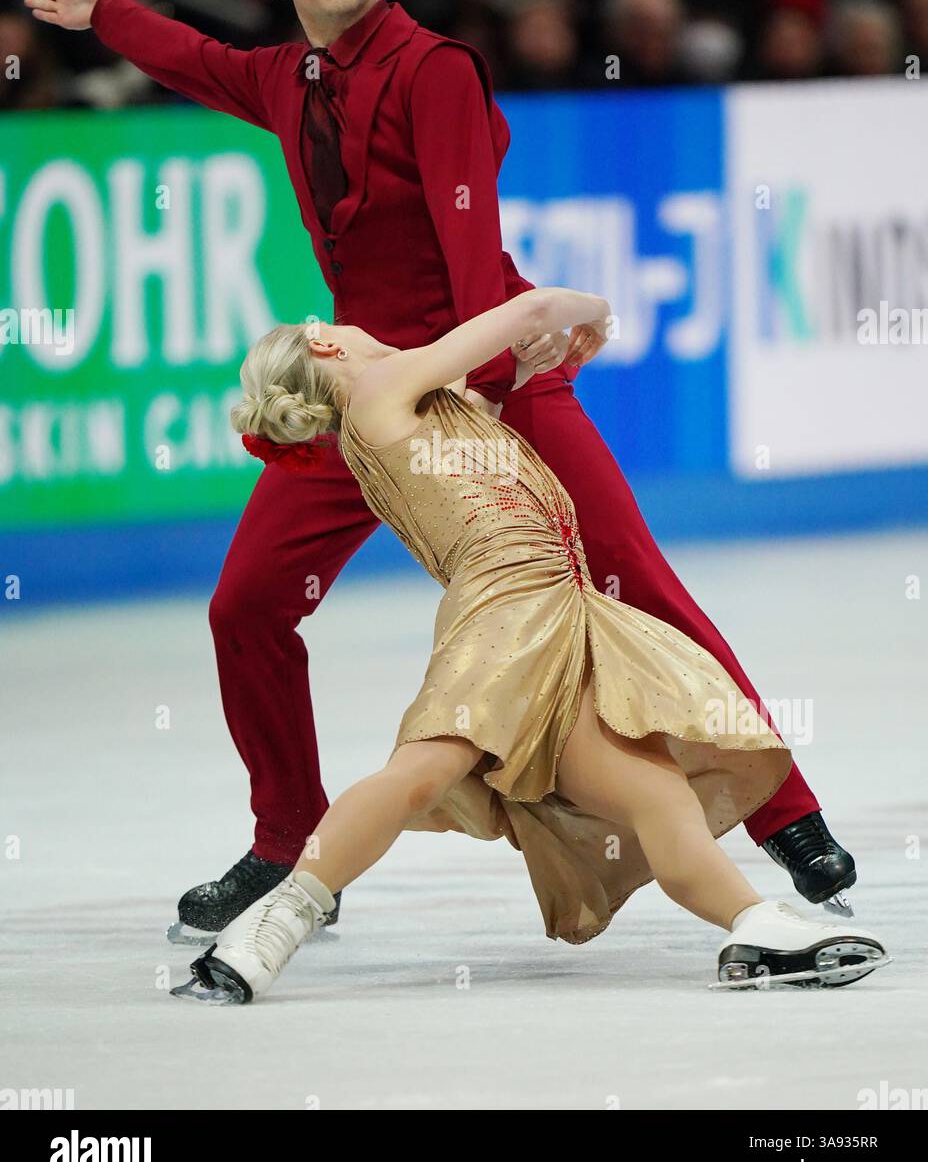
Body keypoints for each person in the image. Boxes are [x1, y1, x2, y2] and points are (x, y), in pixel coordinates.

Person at [20, 0, 856, 942]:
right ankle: (286, 840)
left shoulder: (435, 68)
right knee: (246, 604)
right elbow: (201, 62)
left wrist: (487, 377)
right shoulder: (287, 77)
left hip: (489, 372)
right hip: (366, 392)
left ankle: (784, 812)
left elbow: (470, 246)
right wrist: (104, 14)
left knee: (631, 579)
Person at [171, 289, 888, 1004]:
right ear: (325, 346)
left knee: (657, 794)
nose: (347, 320)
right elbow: (527, 311)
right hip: (502, 611)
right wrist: (597, 307)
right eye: (323, 322)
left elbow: (499, 381)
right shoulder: (382, 387)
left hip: (561, 613)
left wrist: (544, 361)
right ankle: (274, 923)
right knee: (423, 770)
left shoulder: (425, 404)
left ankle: (756, 927)